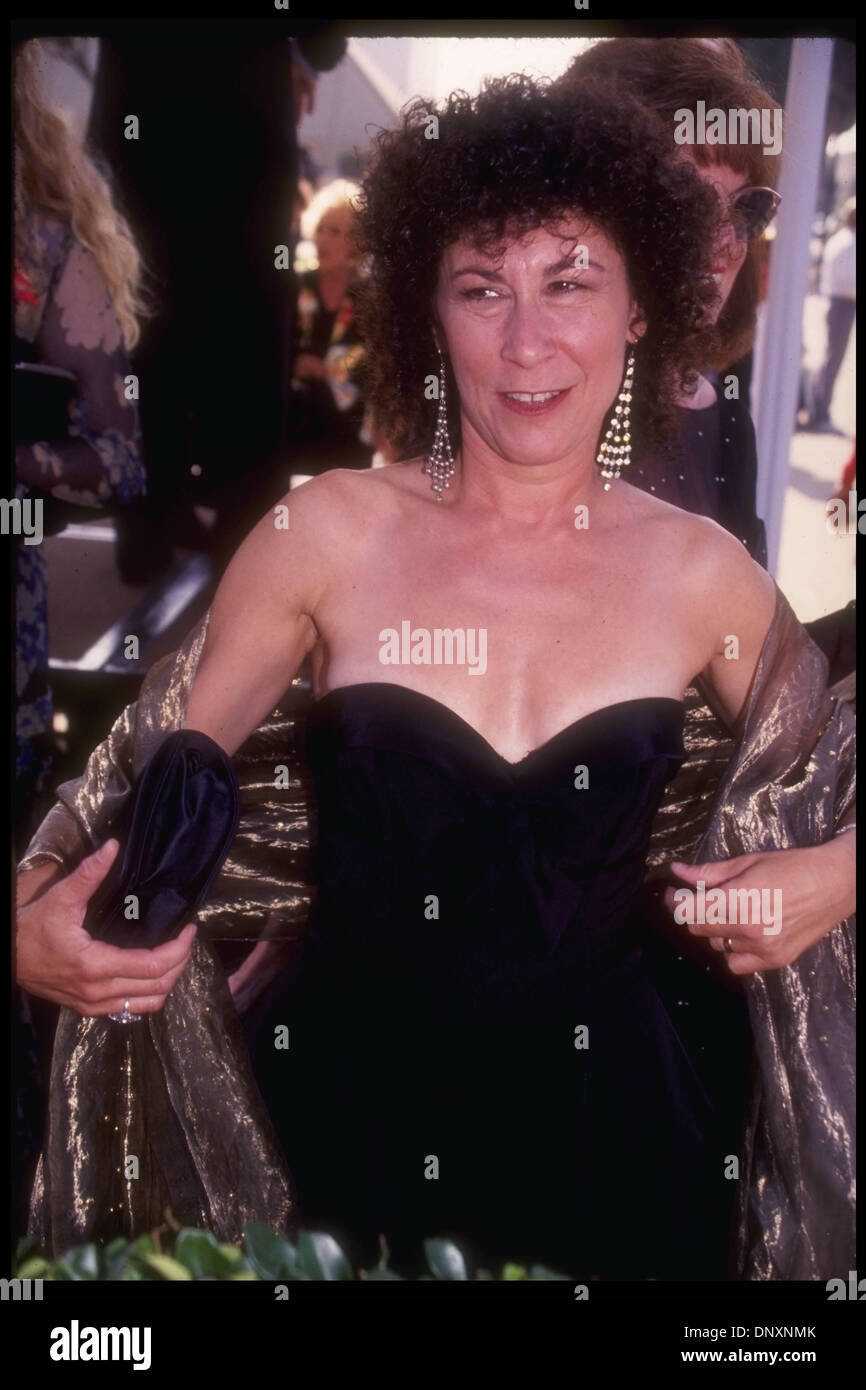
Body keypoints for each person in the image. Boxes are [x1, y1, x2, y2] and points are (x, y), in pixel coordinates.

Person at [16, 77, 854, 1281]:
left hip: (618, 1150)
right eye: (481, 289)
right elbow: (124, 783)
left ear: (639, 310)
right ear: (428, 307)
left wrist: (830, 876)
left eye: (568, 282)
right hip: (340, 1147)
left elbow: (834, 769)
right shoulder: (327, 533)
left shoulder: (704, 578)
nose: (524, 342)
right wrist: (26, 918)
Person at [289, 179, 372, 476]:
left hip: (348, 435)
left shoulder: (370, 297)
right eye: (321, 229)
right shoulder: (295, 286)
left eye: (335, 232)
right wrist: (296, 363)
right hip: (293, 428)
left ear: (357, 242)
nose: (322, 239)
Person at [808, 198, 856, 432]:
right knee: (832, 360)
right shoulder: (848, 243)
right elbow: (847, 281)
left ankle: (820, 408)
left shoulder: (844, 240)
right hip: (842, 304)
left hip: (841, 304)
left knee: (832, 359)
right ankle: (819, 411)